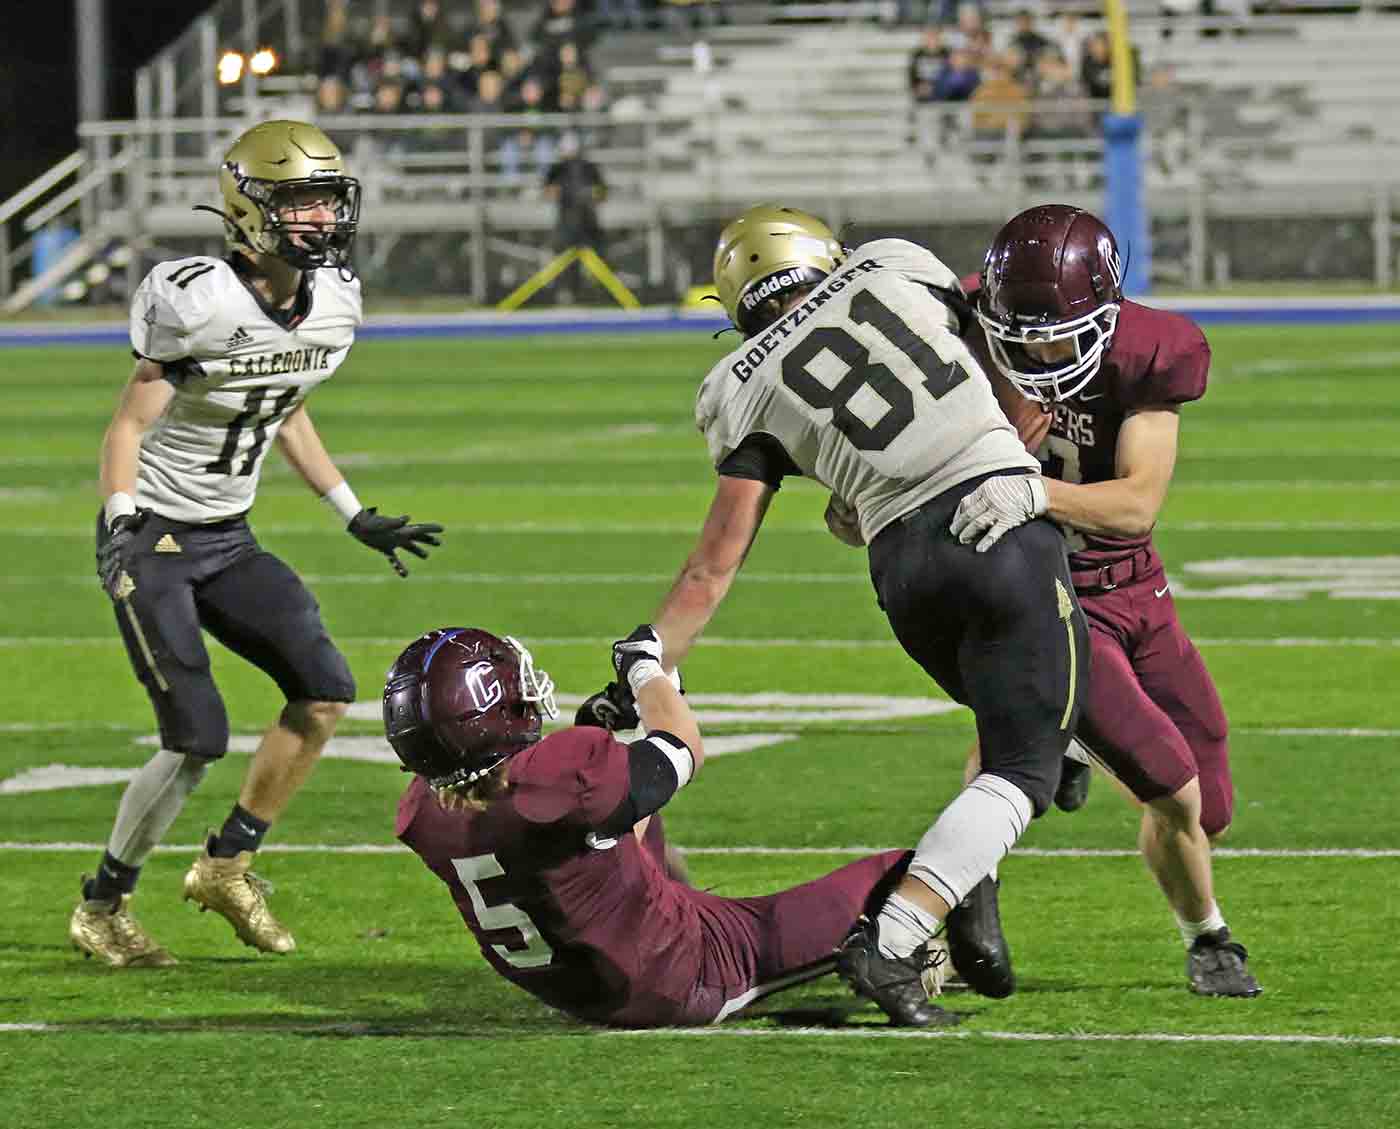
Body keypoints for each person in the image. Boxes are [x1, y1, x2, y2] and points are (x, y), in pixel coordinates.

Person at [581, 204, 1088, 1026]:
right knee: (1025, 766)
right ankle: (895, 937)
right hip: (992, 523)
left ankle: (982, 861)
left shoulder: (738, 384)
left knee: (1025, 720)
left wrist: (647, 657)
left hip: (900, 571)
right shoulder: (894, 263)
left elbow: (714, 564)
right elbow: (995, 372)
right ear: (823, 255)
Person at [69, 120, 444, 968]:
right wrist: (123, 512)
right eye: (298, 202)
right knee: (196, 734)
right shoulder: (196, 297)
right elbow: (129, 419)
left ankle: (227, 863)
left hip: (227, 535)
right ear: (250, 211)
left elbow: (283, 401)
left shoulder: (336, 299)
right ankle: (103, 906)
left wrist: (350, 510)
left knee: (323, 689)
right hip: (154, 533)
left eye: (325, 200)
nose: (318, 219)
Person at [963, 203, 1260, 999]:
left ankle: (1064, 740)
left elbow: (1134, 506)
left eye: (1056, 330)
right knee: (1170, 784)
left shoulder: (1148, 352)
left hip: (1136, 587)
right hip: (1049, 600)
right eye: (1018, 329)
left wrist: (1026, 488)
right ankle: (1209, 937)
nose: (1034, 348)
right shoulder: (965, 322)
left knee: (1213, 803)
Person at [389, 626, 924, 1027]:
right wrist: (648, 669)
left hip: (578, 979)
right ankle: (946, 950)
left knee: (627, 794)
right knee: (914, 869)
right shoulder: (566, 779)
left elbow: (574, 836)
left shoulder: (424, 811)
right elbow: (682, 745)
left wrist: (598, 730)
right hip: (678, 973)